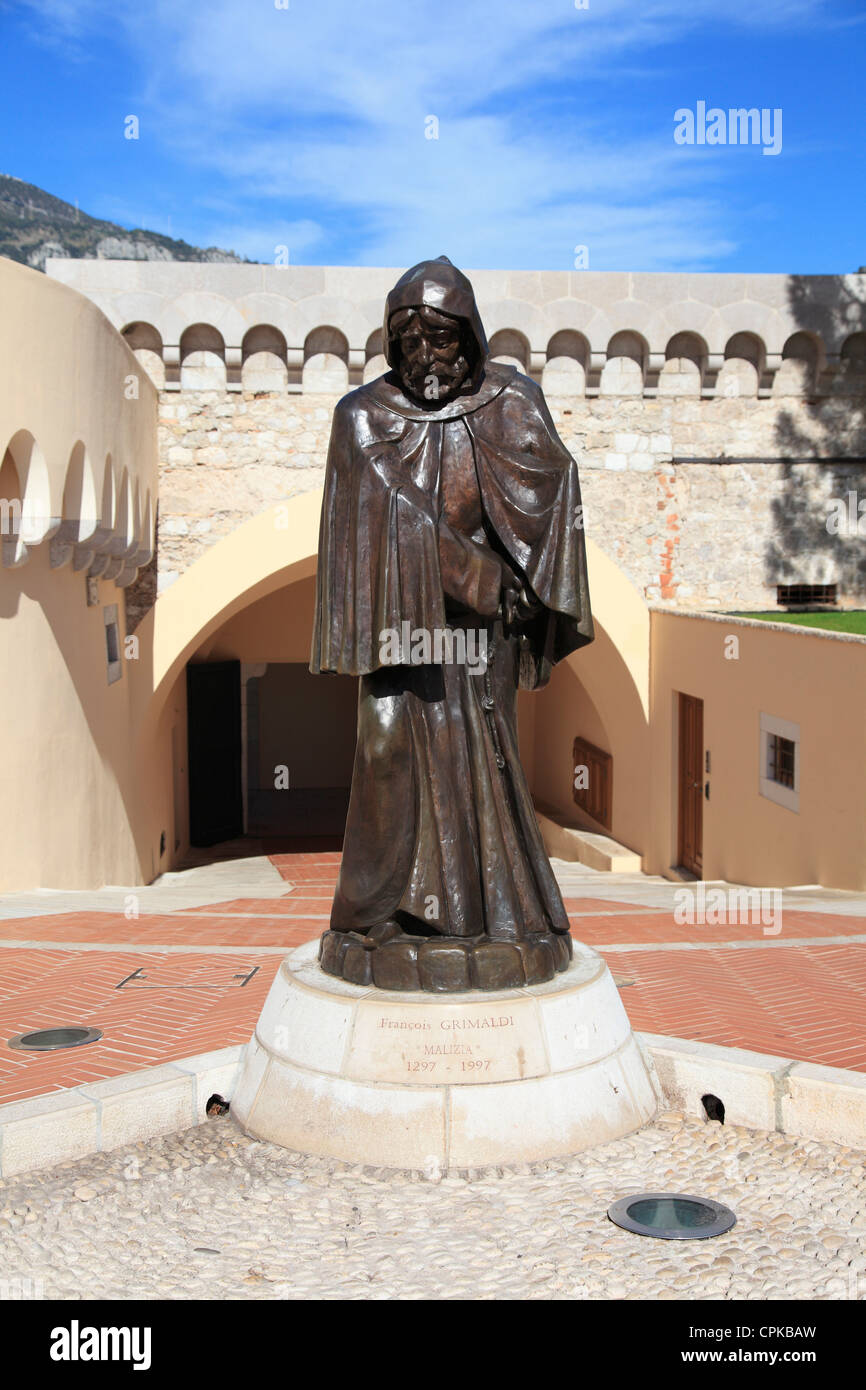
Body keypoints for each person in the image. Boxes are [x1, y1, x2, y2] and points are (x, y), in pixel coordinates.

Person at [310, 256, 593, 991]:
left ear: (469, 337)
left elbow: (553, 487)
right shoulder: (363, 415)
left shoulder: (509, 402)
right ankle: (376, 916)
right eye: (408, 344)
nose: (424, 358)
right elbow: (375, 510)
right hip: (398, 626)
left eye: (439, 341)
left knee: (479, 755)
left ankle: (492, 919)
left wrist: (519, 576)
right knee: (385, 751)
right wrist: (476, 571)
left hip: (479, 635)